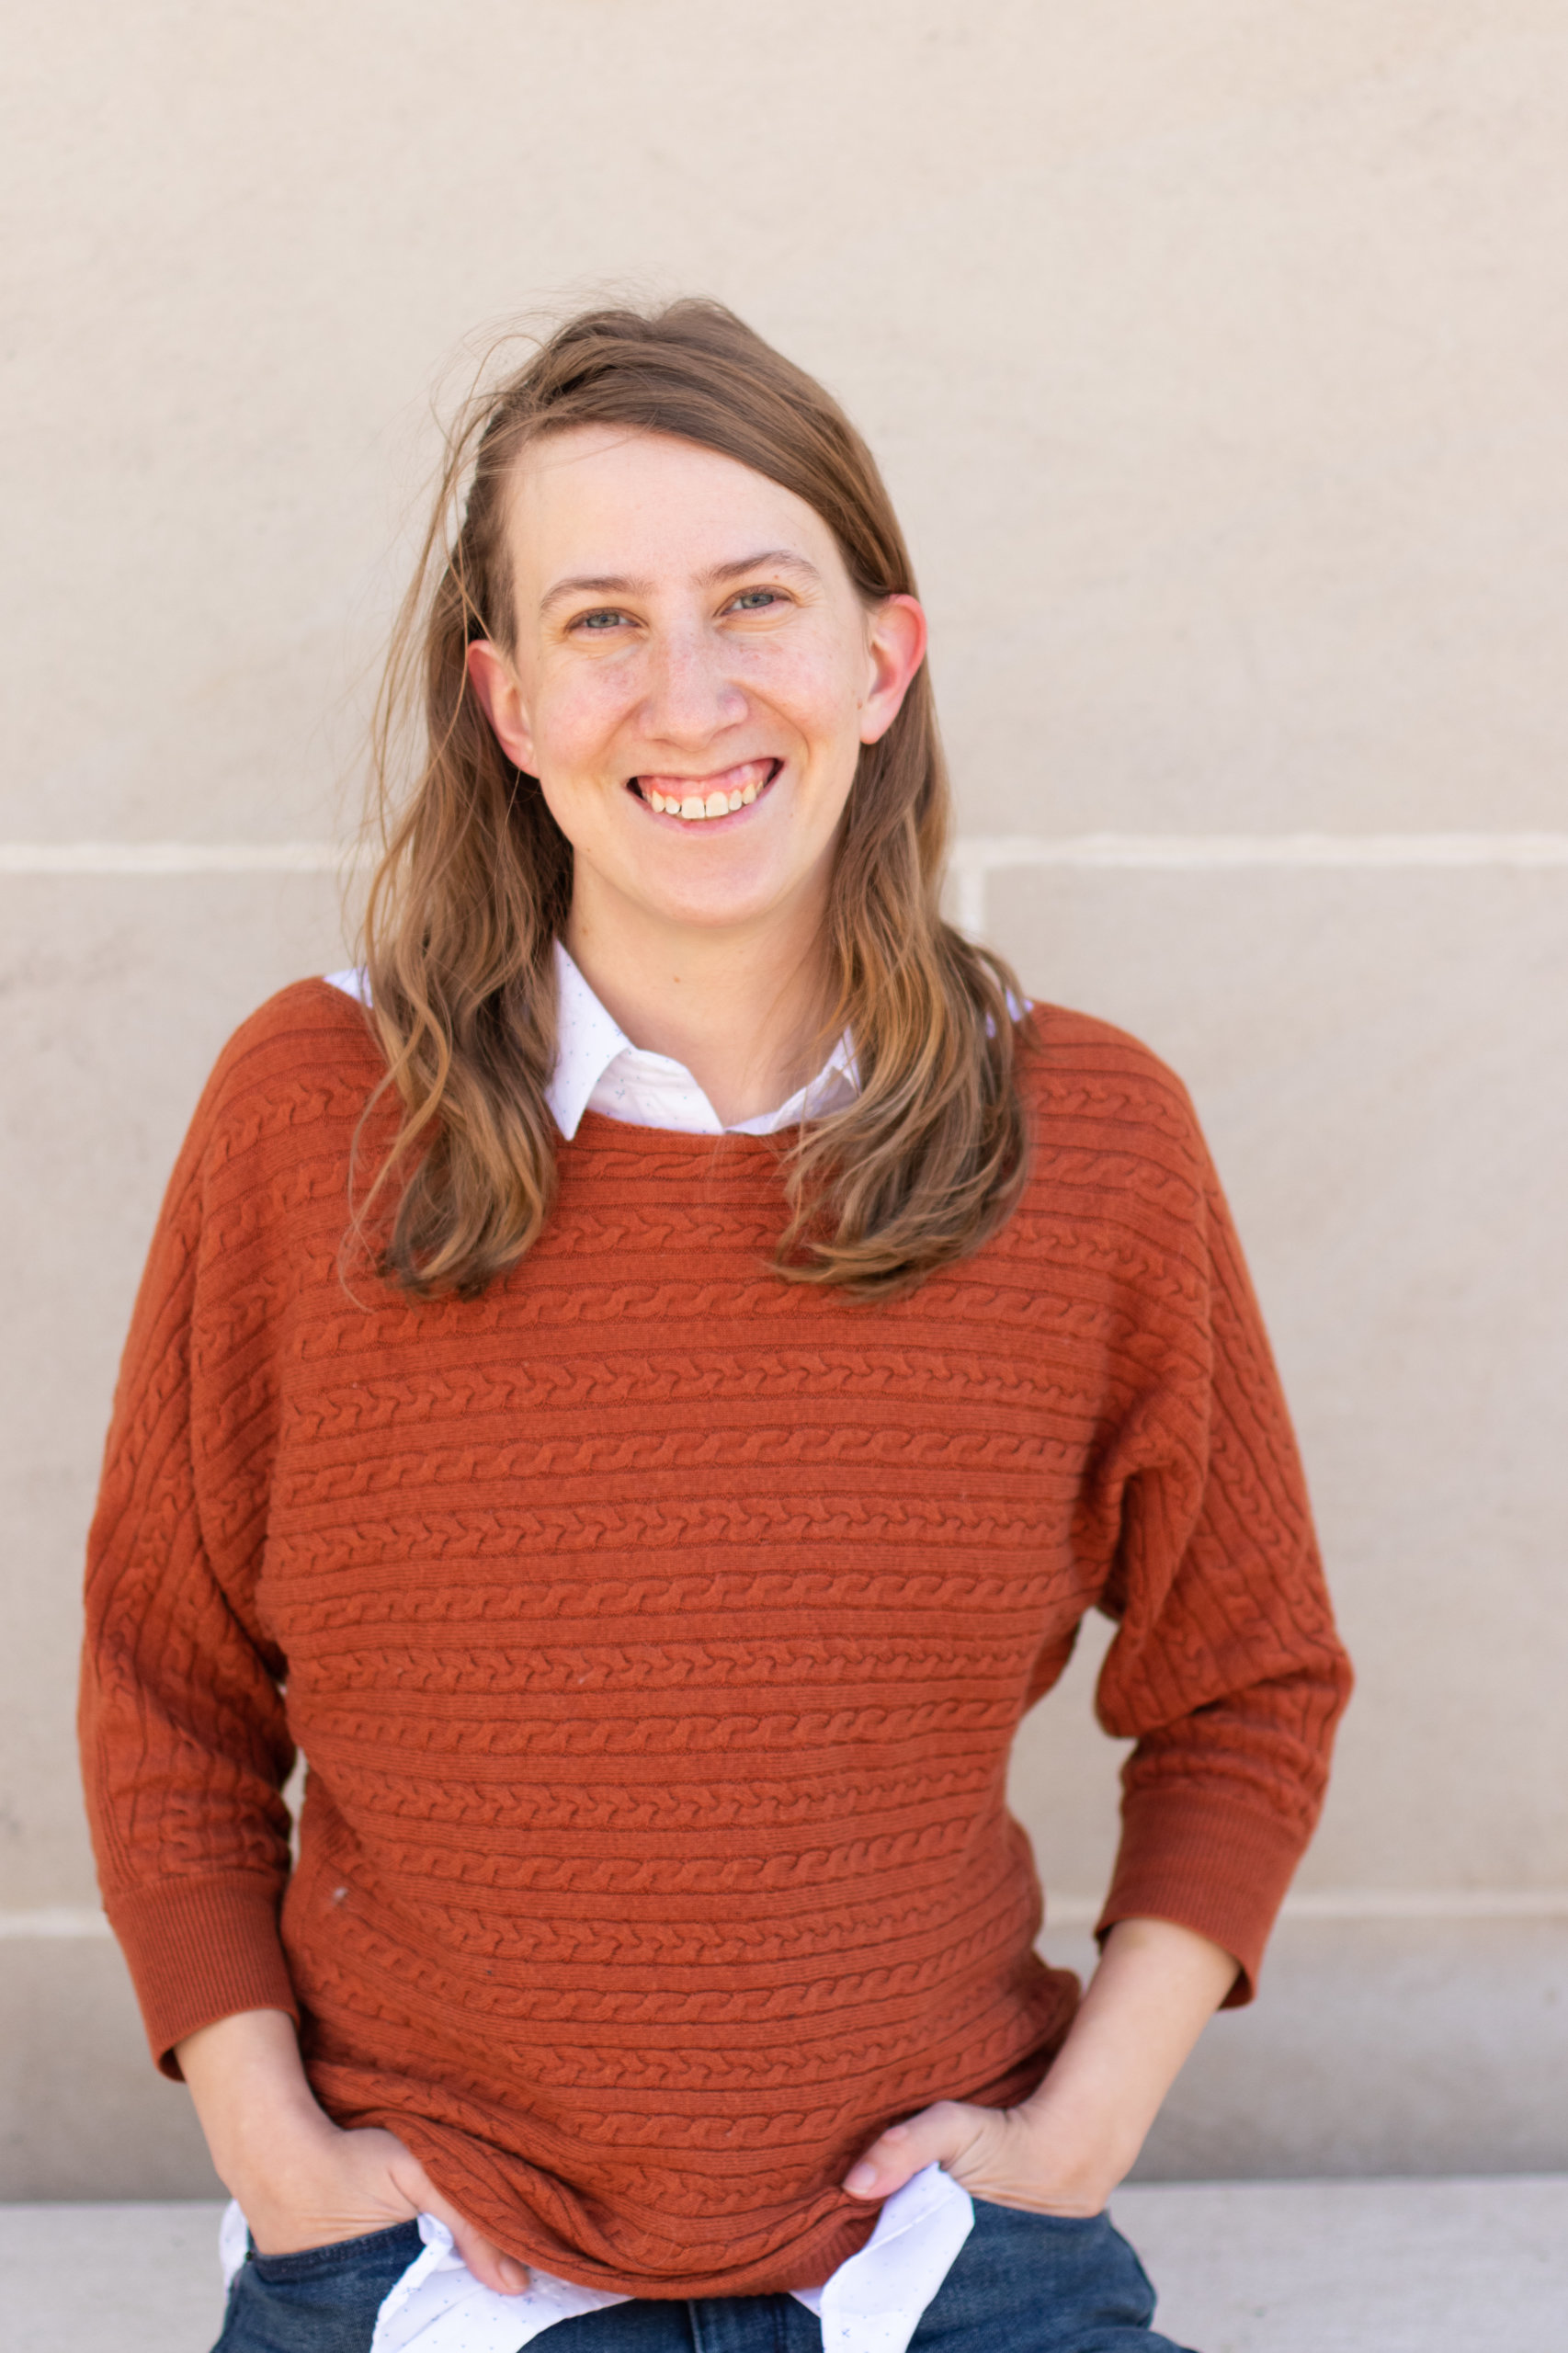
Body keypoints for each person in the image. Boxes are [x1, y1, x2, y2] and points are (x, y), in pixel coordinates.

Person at [79, 301, 1351, 2353]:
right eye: (602, 621)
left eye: (756, 601)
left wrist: (1077, 2135)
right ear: (506, 703)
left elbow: (1248, 1681)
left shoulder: (1089, 1137)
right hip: (436, 2269)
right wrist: (276, 2154)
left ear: (881, 660)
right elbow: (169, 1685)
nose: (688, 697)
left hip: (938, 2263)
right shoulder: (310, 1115)